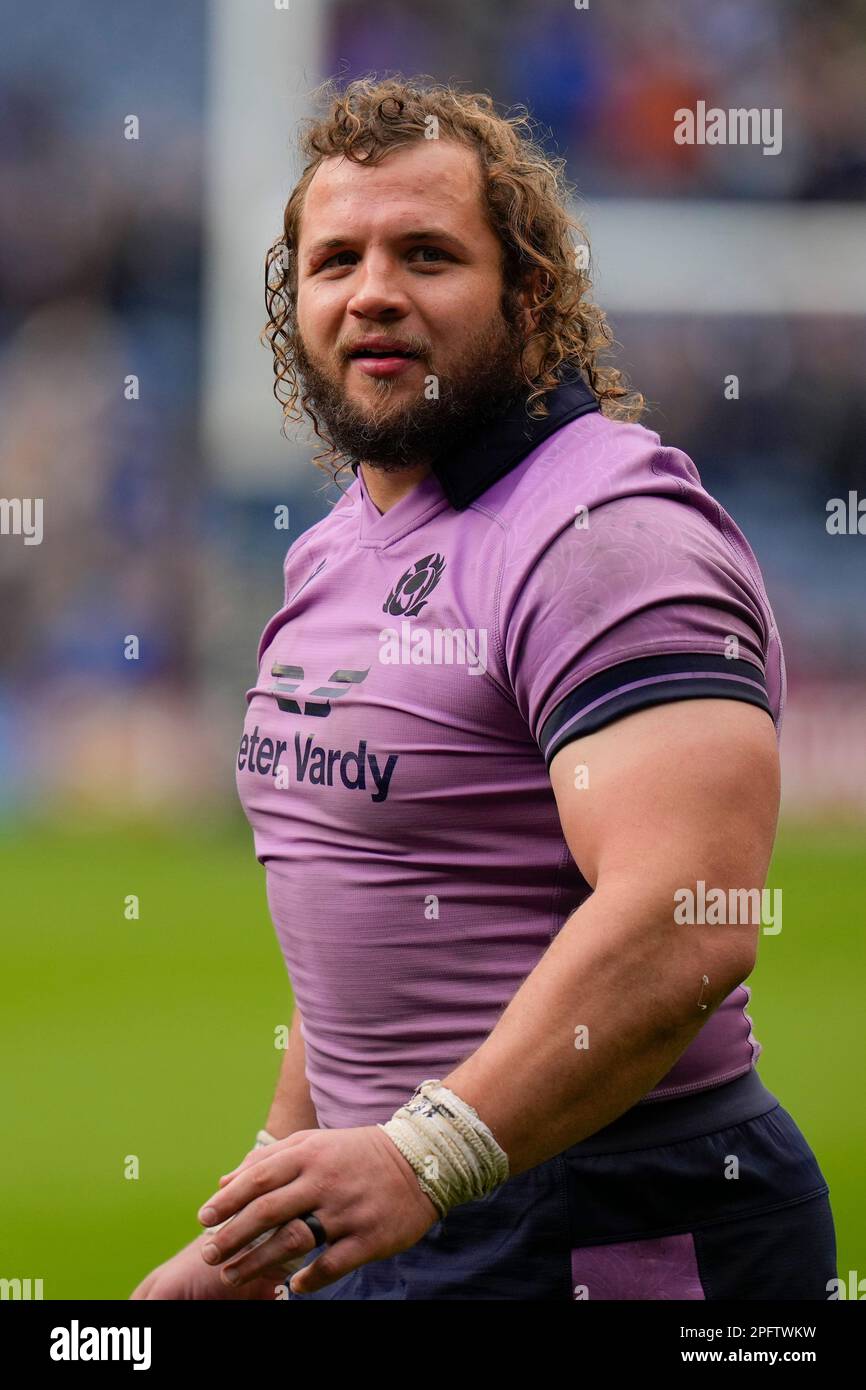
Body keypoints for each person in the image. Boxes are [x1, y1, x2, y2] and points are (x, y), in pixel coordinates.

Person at [131, 76, 835, 1302]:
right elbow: (368, 914)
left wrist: (424, 1152)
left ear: (528, 290)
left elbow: (693, 909)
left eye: (425, 253)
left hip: (613, 1218)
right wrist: (264, 1212)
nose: (372, 292)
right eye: (333, 258)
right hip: (394, 1201)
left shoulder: (603, 532)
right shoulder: (336, 544)